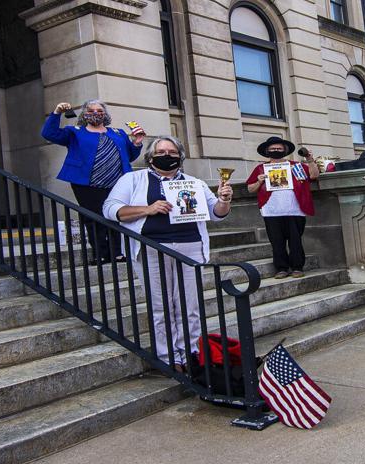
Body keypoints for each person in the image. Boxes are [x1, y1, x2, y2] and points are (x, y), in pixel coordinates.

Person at [102, 137, 234, 371]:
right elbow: (111, 209)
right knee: (160, 304)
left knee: (189, 304)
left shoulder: (194, 182)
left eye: (172, 152)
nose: (167, 155)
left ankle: (191, 353)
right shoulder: (132, 179)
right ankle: (168, 356)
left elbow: (216, 213)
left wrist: (224, 200)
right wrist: (148, 209)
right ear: (151, 157)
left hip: (190, 246)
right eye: (161, 151)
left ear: (180, 156)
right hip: (152, 247)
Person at [41, 100, 145, 264]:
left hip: (117, 182)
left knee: (115, 215)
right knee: (93, 217)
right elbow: (49, 134)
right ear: (84, 114)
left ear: (105, 114)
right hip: (87, 183)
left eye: (99, 110)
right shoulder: (75, 132)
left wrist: (137, 143)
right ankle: (100, 253)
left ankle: (117, 252)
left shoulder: (118, 133)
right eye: (91, 110)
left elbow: (129, 156)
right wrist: (56, 113)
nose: (95, 113)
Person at [245, 136, 334, 280]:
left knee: (295, 240)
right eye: (273, 149)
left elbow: (314, 175)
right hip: (271, 211)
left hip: (295, 210)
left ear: (285, 150)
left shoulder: (295, 166)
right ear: (267, 151)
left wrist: (310, 160)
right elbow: (250, 188)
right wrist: (259, 181)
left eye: (279, 148)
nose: (276, 151)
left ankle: (297, 267)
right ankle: (281, 268)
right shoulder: (261, 168)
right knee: (277, 242)